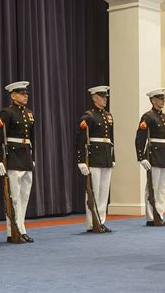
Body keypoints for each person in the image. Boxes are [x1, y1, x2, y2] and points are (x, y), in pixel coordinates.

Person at [0, 81, 35, 243]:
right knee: (14, 197)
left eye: (26, 94)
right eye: (22, 93)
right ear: (13, 95)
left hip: (25, 157)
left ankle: (21, 228)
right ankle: (13, 231)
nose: (25, 96)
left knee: (24, 196)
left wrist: (33, 157)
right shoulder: (7, 113)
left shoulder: (29, 113)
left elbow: (32, 139)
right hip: (13, 157)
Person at [76, 86, 114, 233]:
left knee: (104, 192)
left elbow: (111, 139)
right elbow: (80, 140)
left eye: (105, 96)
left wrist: (113, 157)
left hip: (105, 157)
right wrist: (81, 160)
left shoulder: (108, 116)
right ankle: (92, 222)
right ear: (94, 98)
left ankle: (101, 221)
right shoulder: (88, 116)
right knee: (93, 192)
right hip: (94, 157)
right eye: (101, 96)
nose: (105, 99)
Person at [135, 88, 165, 227]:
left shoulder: (164, 117)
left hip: (163, 153)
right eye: (160, 99)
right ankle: (151, 217)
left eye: (163, 99)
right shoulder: (148, 117)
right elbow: (140, 138)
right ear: (153, 100)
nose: (162, 101)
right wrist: (141, 157)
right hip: (153, 153)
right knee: (152, 186)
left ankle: (159, 214)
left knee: (161, 187)